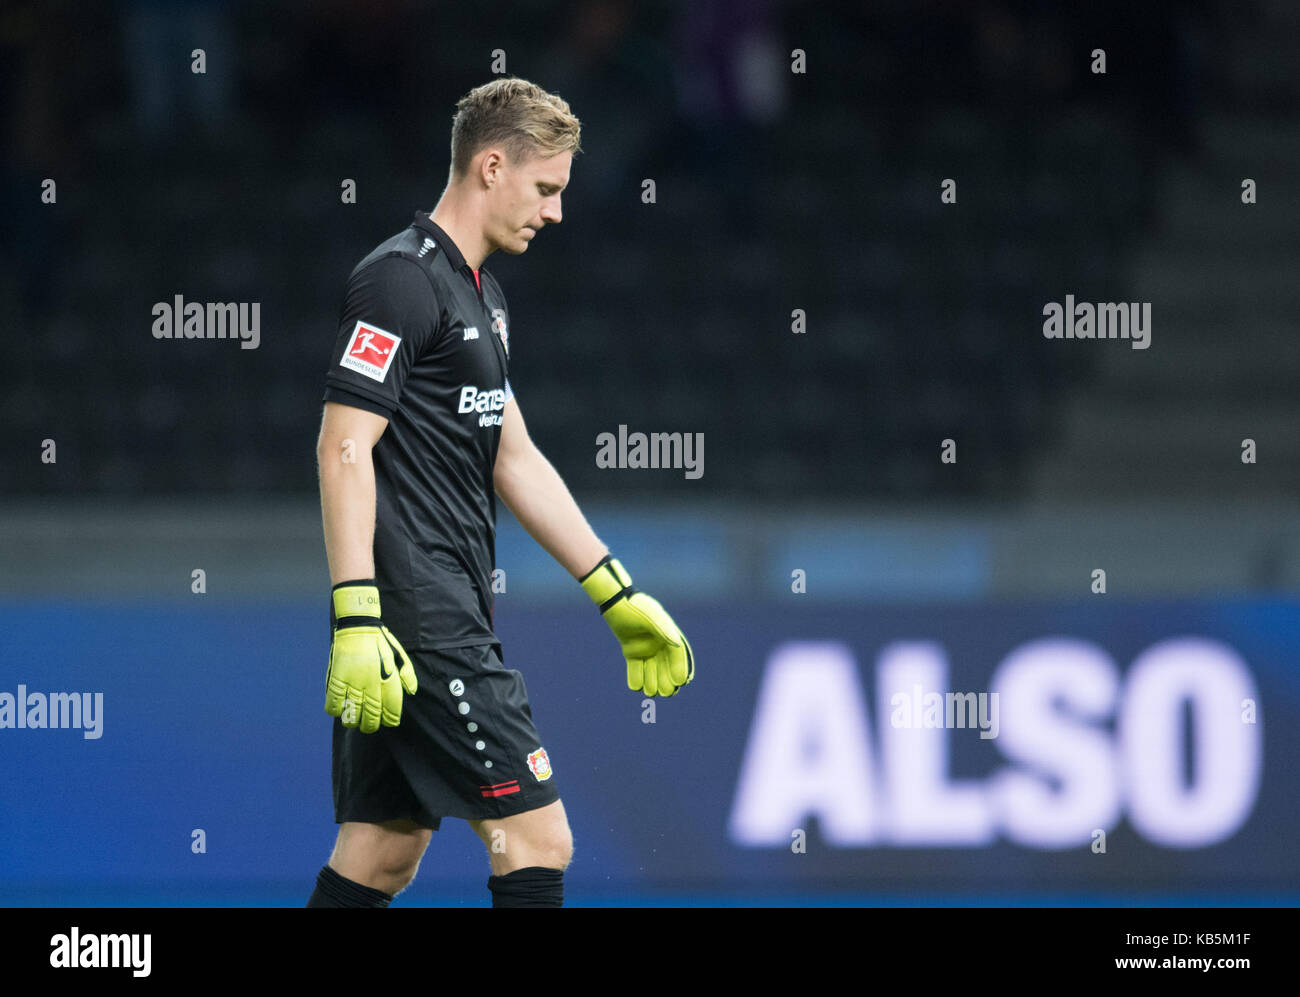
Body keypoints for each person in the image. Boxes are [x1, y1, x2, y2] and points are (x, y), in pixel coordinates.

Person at [307, 77, 694, 909]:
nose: (555, 212)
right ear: (490, 166)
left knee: (380, 852)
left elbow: (513, 456)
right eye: (545, 188)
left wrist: (614, 589)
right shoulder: (397, 283)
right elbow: (344, 446)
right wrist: (356, 611)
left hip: (434, 607)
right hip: (415, 613)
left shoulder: (482, 296)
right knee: (537, 836)